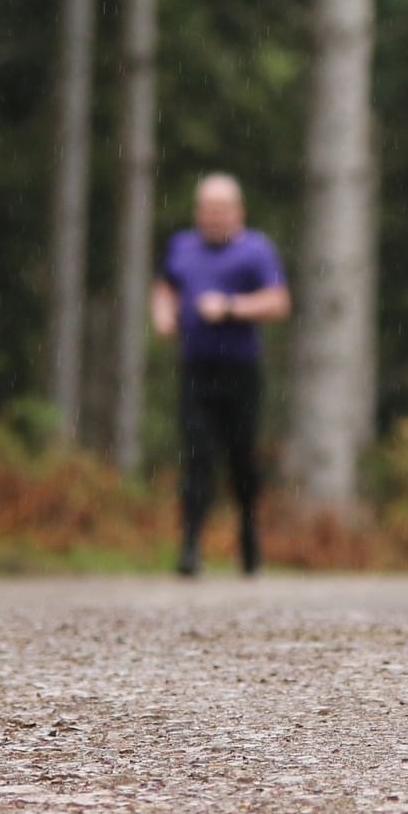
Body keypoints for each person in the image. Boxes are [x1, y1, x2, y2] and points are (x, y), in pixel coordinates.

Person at [151, 173, 291, 576]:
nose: (212, 217)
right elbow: (165, 287)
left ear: (237, 211)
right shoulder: (182, 246)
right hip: (195, 368)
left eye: (220, 209)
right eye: (206, 209)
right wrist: (162, 314)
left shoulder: (255, 250)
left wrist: (230, 307)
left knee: (240, 457)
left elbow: (278, 302)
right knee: (195, 454)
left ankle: (248, 533)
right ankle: (190, 546)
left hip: (241, 371)